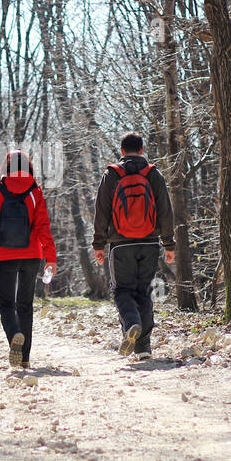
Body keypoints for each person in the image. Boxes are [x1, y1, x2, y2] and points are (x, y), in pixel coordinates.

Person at [92, 133, 175, 360]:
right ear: (141, 150)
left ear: (121, 150)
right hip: (149, 242)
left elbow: (102, 211)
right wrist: (169, 243)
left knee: (122, 289)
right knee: (145, 291)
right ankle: (144, 348)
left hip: (120, 244)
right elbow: (166, 210)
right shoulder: (153, 173)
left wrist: (99, 243)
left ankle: (131, 323)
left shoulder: (112, 174)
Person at [0, 150, 57, 369]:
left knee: (6, 304)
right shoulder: (35, 191)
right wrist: (51, 258)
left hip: (4, 256)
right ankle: (25, 357)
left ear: (6, 166)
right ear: (28, 166)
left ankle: (14, 335)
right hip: (32, 255)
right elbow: (43, 227)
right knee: (25, 305)